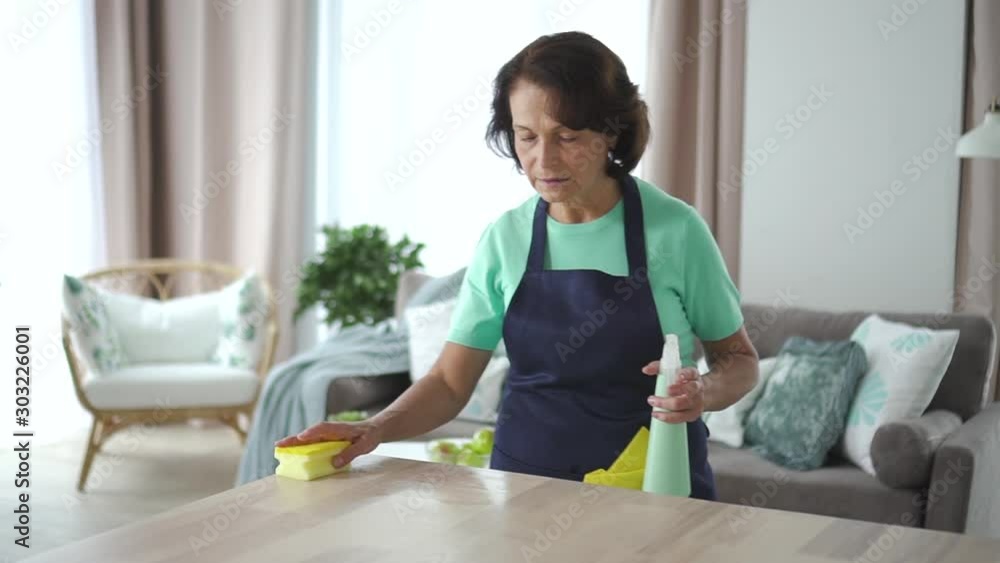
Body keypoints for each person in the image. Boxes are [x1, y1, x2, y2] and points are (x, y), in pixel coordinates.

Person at [277, 31, 759, 500]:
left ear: (610, 131)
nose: (542, 159)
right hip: (527, 487)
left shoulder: (675, 230)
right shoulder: (505, 238)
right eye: (526, 137)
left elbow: (738, 360)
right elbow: (449, 382)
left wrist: (705, 393)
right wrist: (374, 429)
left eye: (567, 136)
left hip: (654, 485)